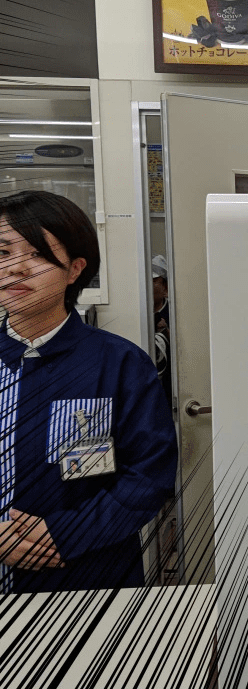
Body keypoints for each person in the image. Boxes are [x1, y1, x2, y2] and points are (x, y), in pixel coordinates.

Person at [0, 190, 178, 592]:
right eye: (3, 252)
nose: (15, 269)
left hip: (87, 575)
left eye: (38, 254)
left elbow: (150, 474)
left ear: (74, 269)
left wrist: (66, 533)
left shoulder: (118, 364)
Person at [151, 254, 172, 406]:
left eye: (153, 282)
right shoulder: (136, 314)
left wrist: (166, 331)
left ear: (165, 287)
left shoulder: (174, 313)